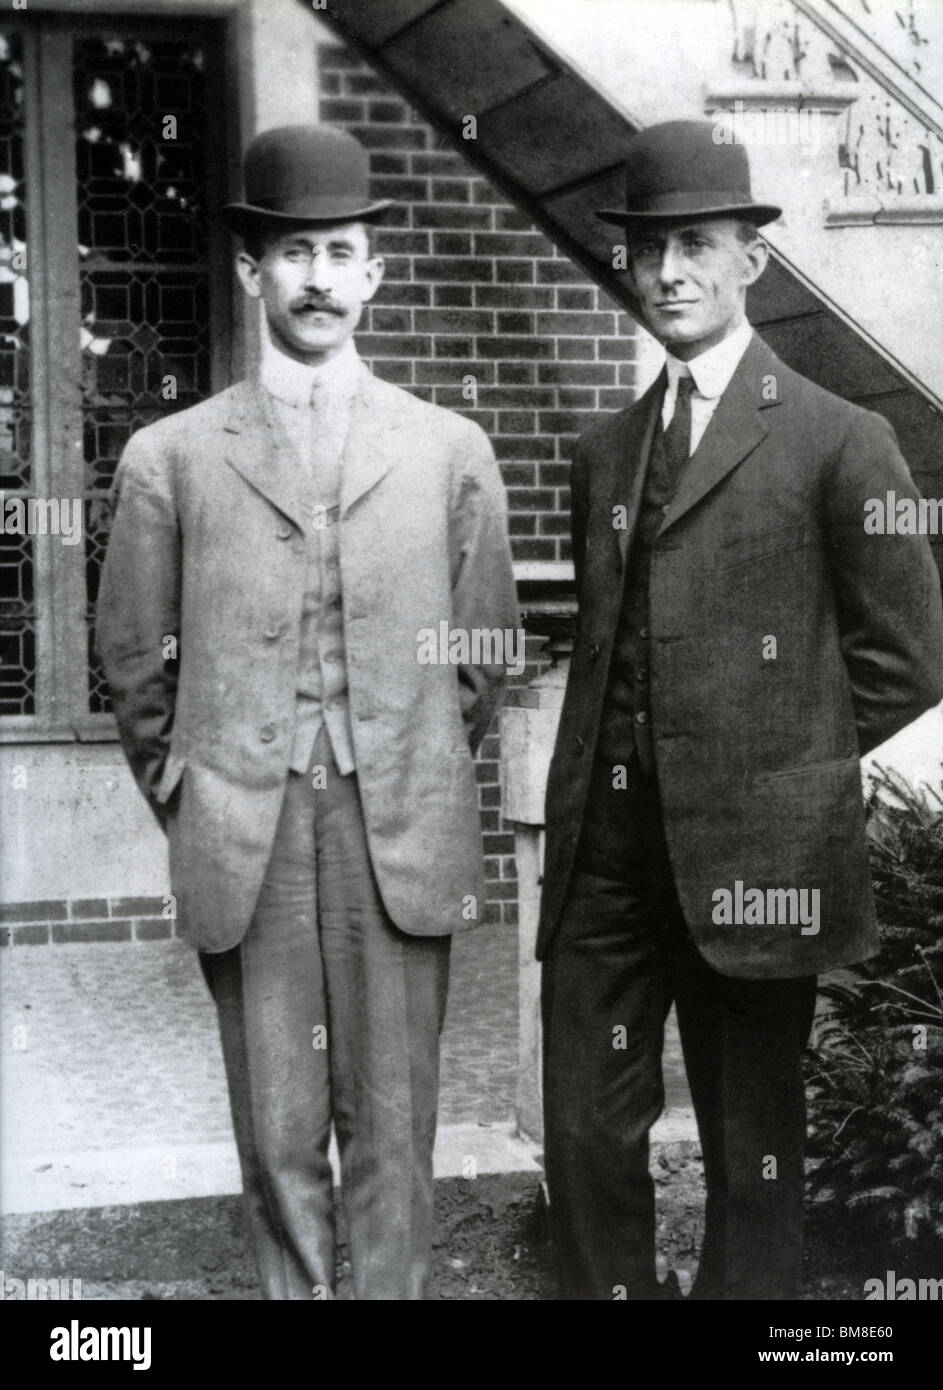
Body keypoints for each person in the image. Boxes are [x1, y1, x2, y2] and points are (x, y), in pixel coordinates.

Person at [96, 124, 519, 1300]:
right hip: (249, 834)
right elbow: (135, 663)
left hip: (399, 829)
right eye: (293, 255)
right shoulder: (170, 458)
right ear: (251, 272)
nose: (319, 278)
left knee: (394, 1134)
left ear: (374, 272)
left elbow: (483, 657)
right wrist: (201, 788)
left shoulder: (449, 451)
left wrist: (406, 756)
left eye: (340, 252)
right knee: (278, 1138)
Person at [537, 119, 943, 1301]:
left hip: (761, 861)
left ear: (749, 260)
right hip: (607, 863)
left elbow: (910, 656)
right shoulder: (603, 452)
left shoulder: (837, 438)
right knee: (582, 1139)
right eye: (650, 247)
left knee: (753, 1163)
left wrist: (773, 762)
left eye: (697, 245)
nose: (669, 272)